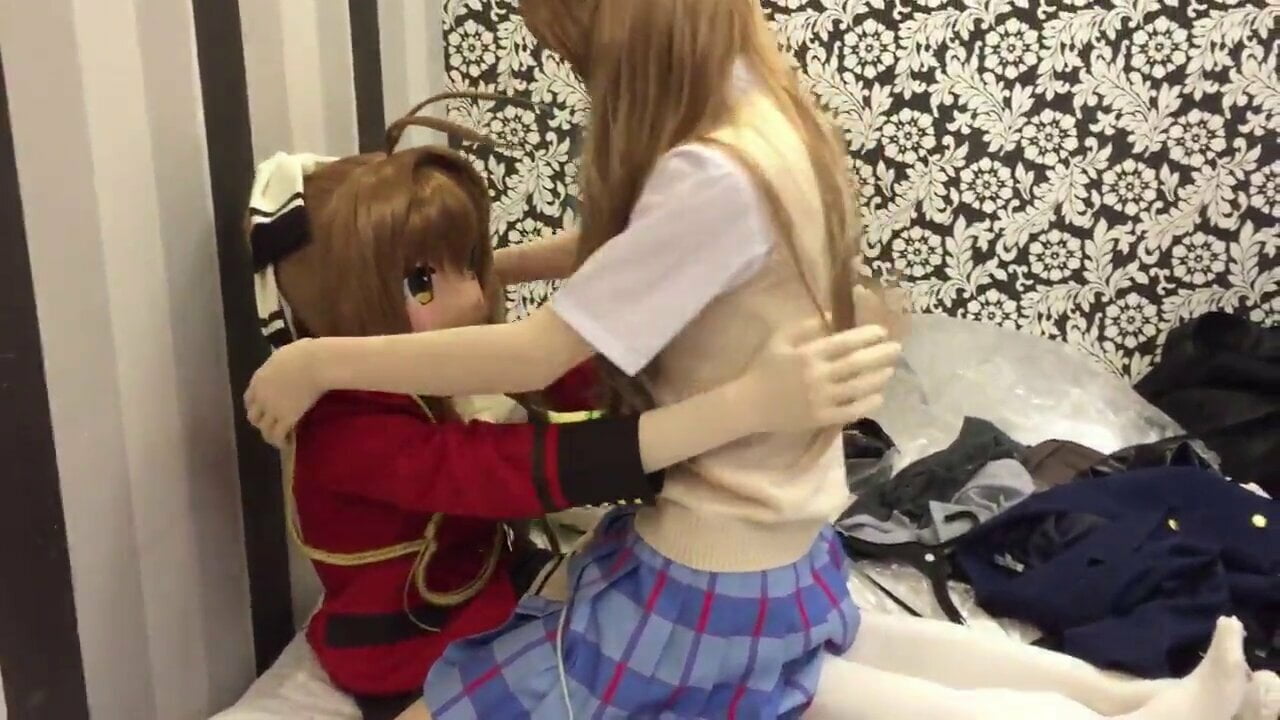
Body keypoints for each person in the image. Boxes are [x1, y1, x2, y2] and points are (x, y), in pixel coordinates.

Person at [243, 2, 1274, 719]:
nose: (576, 70)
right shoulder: (767, 116)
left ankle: (1139, 707)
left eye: (572, 45)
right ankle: (1138, 700)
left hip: (720, 536)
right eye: (430, 278)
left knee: (816, 678)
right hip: (767, 513)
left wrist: (319, 361)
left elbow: (545, 371)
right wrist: (500, 269)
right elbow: (623, 273)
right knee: (843, 662)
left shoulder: (708, 169)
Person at [246, 96, 898, 720]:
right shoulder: (349, 434)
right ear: (339, 307)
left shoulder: (407, 376)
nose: (472, 296)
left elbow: (569, 381)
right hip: (411, 648)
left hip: (491, 585)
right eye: (423, 282)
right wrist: (740, 405)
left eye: (466, 265)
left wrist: (677, 361)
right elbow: (521, 468)